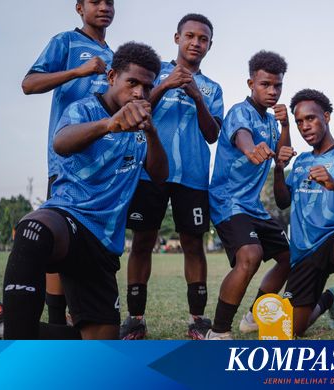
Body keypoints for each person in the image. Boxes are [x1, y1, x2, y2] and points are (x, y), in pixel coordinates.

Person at [0, 42, 165, 340]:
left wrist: (152, 131)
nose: (140, 93)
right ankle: (14, 346)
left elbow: (159, 175)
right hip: (70, 218)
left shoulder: (143, 126)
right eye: (133, 82)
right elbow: (61, 142)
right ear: (112, 76)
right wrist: (109, 125)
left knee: (100, 343)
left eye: (147, 86)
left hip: (104, 241)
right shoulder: (84, 109)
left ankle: (0, 327)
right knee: (33, 229)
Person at [121, 13, 224, 341]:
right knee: (142, 241)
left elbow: (212, 134)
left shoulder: (212, 87)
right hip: (150, 172)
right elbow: (134, 110)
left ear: (210, 45)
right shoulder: (154, 74)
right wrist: (165, 85)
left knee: (194, 244)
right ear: (176, 38)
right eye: (190, 36)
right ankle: (135, 319)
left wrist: (197, 96)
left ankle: (198, 321)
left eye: (203, 39)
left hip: (192, 175)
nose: (196, 42)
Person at [22, 0, 116, 327]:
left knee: (87, 244)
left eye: (110, 2)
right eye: (95, 1)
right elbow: (28, 84)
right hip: (66, 162)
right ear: (79, 8)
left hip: (104, 169)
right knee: (58, 242)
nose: (104, 7)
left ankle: (83, 316)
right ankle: (55, 321)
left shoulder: (115, 58)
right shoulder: (66, 42)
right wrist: (78, 71)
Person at [205, 51, 292, 340]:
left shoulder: (269, 120)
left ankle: (254, 315)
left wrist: (286, 126)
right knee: (250, 255)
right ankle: (218, 332)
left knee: (290, 257)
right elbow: (242, 136)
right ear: (250, 83)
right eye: (265, 84)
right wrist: (249, 149)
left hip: (252, 206)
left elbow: (282, 155)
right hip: (227, 201)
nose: (272, 91)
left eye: (277, 85)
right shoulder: (239, 112)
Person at [274, 89, 334, 338]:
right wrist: (278, 168)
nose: (304, 126)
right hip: (305, 250)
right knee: (290, 331)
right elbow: (283, 201)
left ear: (326, 117)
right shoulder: (300, 161)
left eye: (311, 118)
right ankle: (328, 299)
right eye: (299, 122)